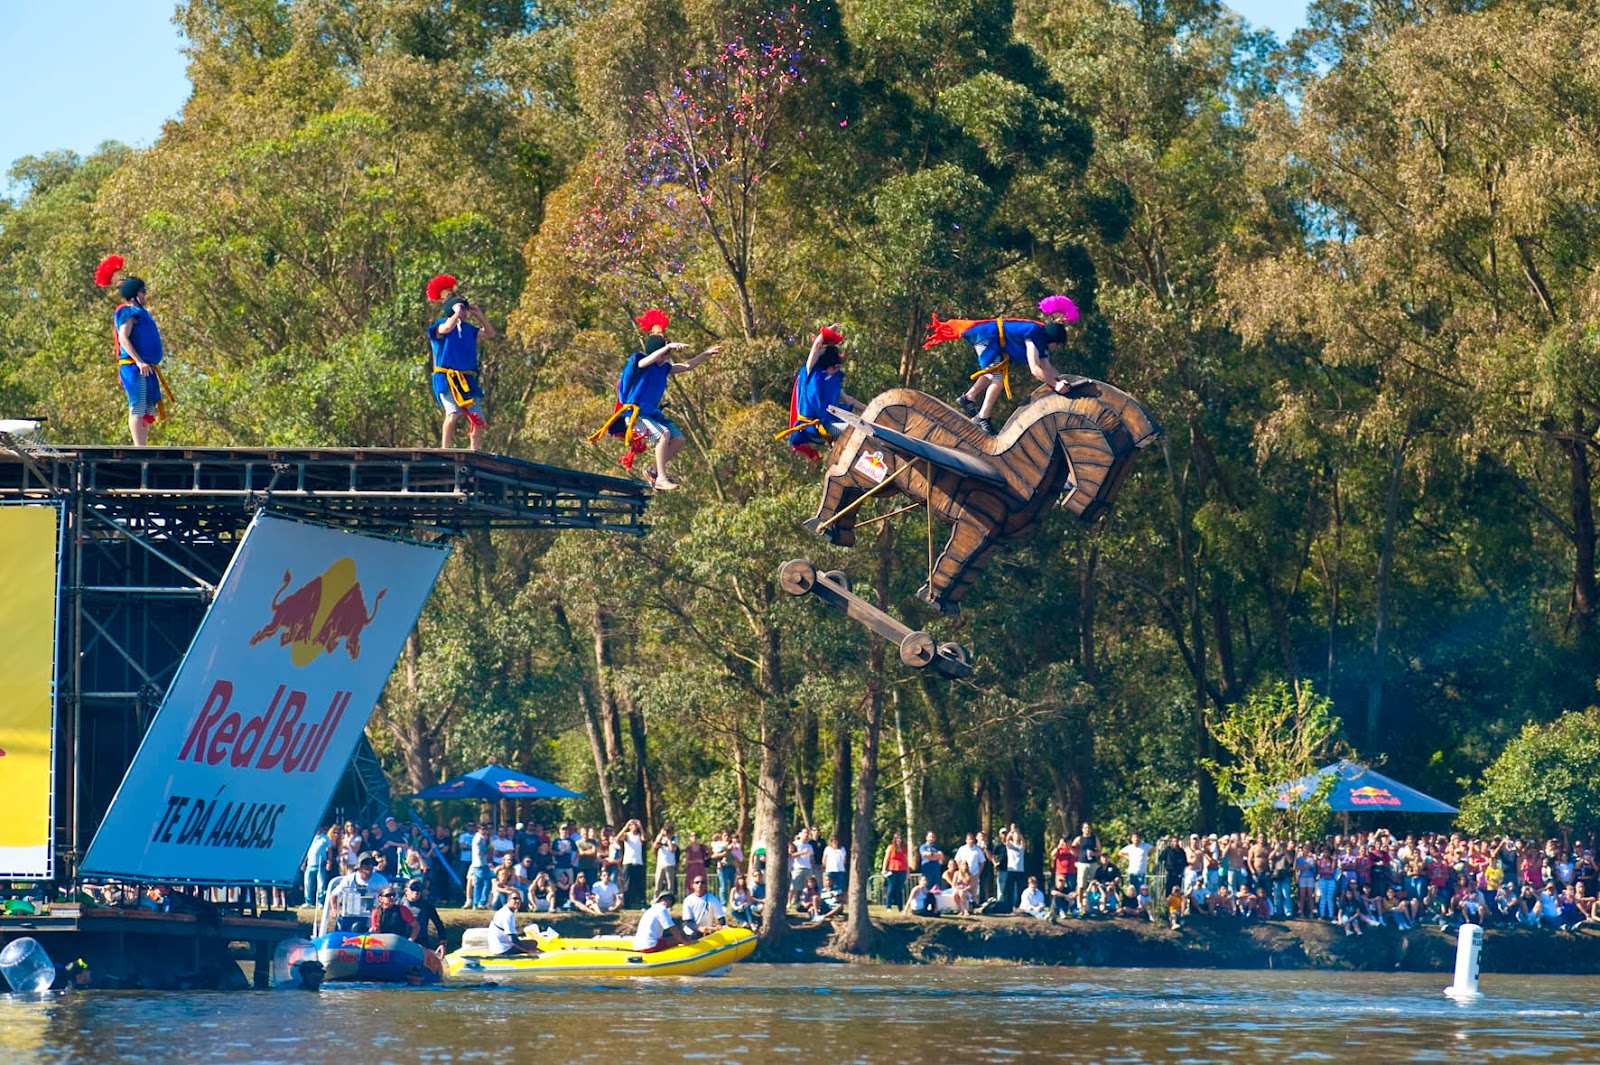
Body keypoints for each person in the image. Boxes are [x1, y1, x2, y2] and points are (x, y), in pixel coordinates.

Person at [590, 309, 719, 490]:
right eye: (664, 354)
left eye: (667, 356)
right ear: (656, 352)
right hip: (635, 415)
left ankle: (653, 470)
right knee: (663, 435)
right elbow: (646, 360)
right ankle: (661, 478)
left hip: (652, 415)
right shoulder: (639, 362)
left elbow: (687, 366)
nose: (666, 359)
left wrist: (705, 354)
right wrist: (667, 347)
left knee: (679, 439)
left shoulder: (664, 368)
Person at [922, 296, 1076, 435]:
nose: (1056, 349)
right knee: (998, 379)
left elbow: (1047, 367)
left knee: (992, 373)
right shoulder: (1035, 334)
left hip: (993, 341)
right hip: (986, 337)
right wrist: (1055, 385)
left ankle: (968, 398)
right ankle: (983, 416)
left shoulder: (1041, 340)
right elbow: (1035, 369)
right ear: (1053, 341)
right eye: (1058, 346)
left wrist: (1063, 381)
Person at [96, 257, 172, 447]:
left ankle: (143, 445)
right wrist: (138, 361)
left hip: (146, 367)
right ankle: (139, 447)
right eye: (143, 291)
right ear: (134, 294)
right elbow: (123, 338)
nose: (145, 295)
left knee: (147, 408)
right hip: (135, 367)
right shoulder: (128, 311)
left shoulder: (141, 312)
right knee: (137, 406)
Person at [426, 273, 497, 450]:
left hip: (466, 379)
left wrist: (479, 315)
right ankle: (445, 449)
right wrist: (456, 312)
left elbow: (490, 333)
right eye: (461, 309)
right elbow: (447, 328)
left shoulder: (468, 329)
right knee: (453, 413)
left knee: (478, 417)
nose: (464, 312)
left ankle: (476, 451)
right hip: (446, 378)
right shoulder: (440, 326)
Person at [779, 326, 862, 460]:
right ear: (825, 365)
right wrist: (827, 331)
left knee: (860, 427)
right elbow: (816, 347)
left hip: (827, 425)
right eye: (834, 367)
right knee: (855, 430)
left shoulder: (833, 382)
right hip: (814, 428)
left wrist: (872, 408)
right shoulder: (810, 372)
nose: (837, 370)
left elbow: (848, 400)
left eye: (838, 367)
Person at [322, 852, 388, 934]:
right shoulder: (349, 879)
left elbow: (388, 896)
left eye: (372, 863)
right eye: (366, 863)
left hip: (373, 917)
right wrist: (334, 909)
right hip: (350, 915)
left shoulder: (381, 880)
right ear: (359, 865)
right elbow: (334, 894)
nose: (369, 866)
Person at [634, 890, 699, 952]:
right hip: (650, 946)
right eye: (665, 898)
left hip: (638, 945)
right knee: (677, 939)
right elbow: (672, 928)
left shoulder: (651, 910)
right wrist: (685, 941)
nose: (667, 901)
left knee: (675, 936)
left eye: (670, 899)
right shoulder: (662, 909)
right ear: (659, 900)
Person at [404, 880, 447, 950]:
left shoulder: (427, 906)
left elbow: (439, 924)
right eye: (413, 888)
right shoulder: (398, 904)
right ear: (406, 890)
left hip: (421, 943)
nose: (416, 892)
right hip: (402, 942)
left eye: (419, 888)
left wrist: (442, 943)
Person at [620, 819, 647, 908]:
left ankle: (642, 903)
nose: (634, 826)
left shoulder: (639, 835)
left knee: (640, 884)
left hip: (638, 862)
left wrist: (641, 826)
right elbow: (619, 837)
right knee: (627, 885)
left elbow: (644, 838)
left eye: (635, 825)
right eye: (632, 825)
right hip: (628, 862)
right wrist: (626, 826)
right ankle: (627, 904)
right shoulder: (627, 835)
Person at [882, 832, 909, 911]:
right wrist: (884, 869)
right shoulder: (891, 847)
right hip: (892, 869)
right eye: (897, 838)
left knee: (899, 889)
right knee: (891, 888)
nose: (898, 840)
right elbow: (886, 859)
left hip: (902, 869)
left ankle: (900, 907)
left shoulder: (904, 848)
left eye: (900, 838)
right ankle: (888, 906)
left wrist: (907, 872)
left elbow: (906, 860)